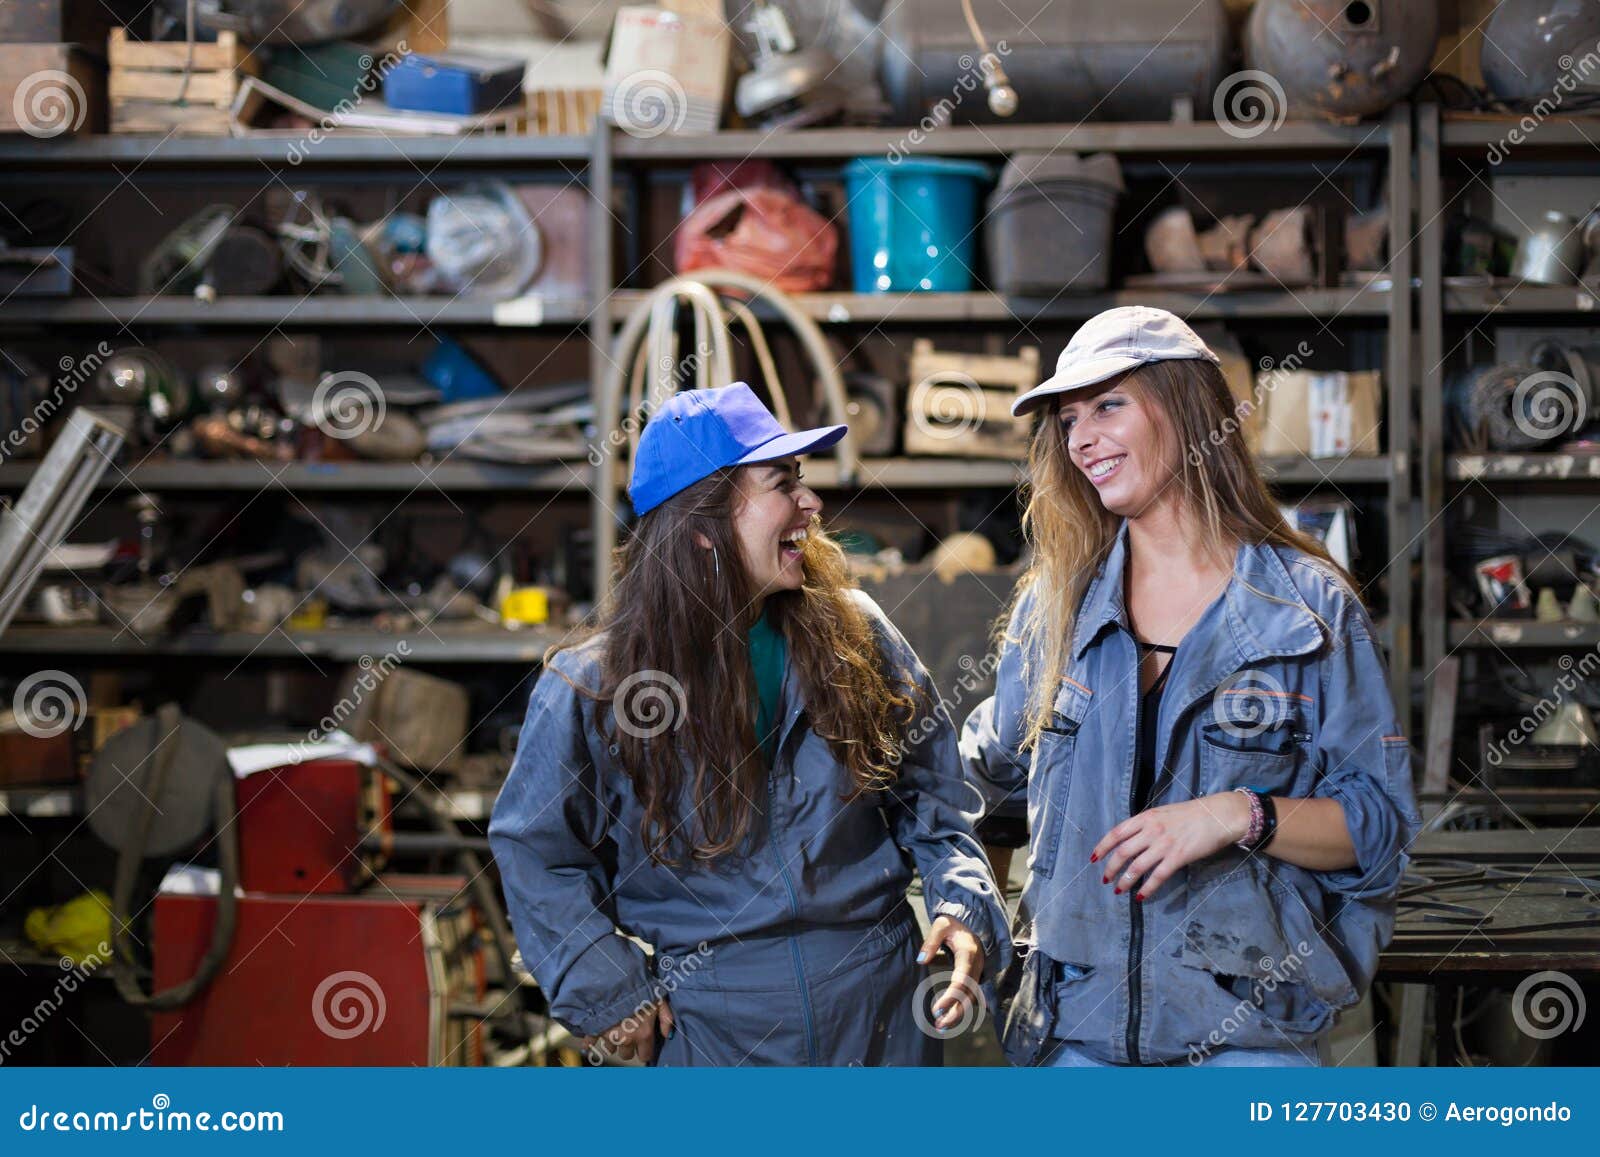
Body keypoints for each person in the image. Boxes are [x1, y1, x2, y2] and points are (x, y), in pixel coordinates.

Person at [489, 382, 1010, 1066]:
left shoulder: (856, 635)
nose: (811, 503)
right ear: (702, 523)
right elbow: (536, 851)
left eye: (803, 480)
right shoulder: (595, 687)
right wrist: (606, 989)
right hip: (713, 1031)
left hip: (881, 1015)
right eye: (782, 483)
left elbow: (932, 797)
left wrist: (960, 900)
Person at [962, 307, 1420, 1067]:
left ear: (1186, 406)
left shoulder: (1307, 611)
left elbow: (1378, 829)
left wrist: (1238, 814)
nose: (1081, 438)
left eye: (1109, 405)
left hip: (1248, 1033)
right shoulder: (1059, 607)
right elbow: (972, 778)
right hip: (1074, 1032)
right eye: (1068, 418)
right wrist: (963, 904)